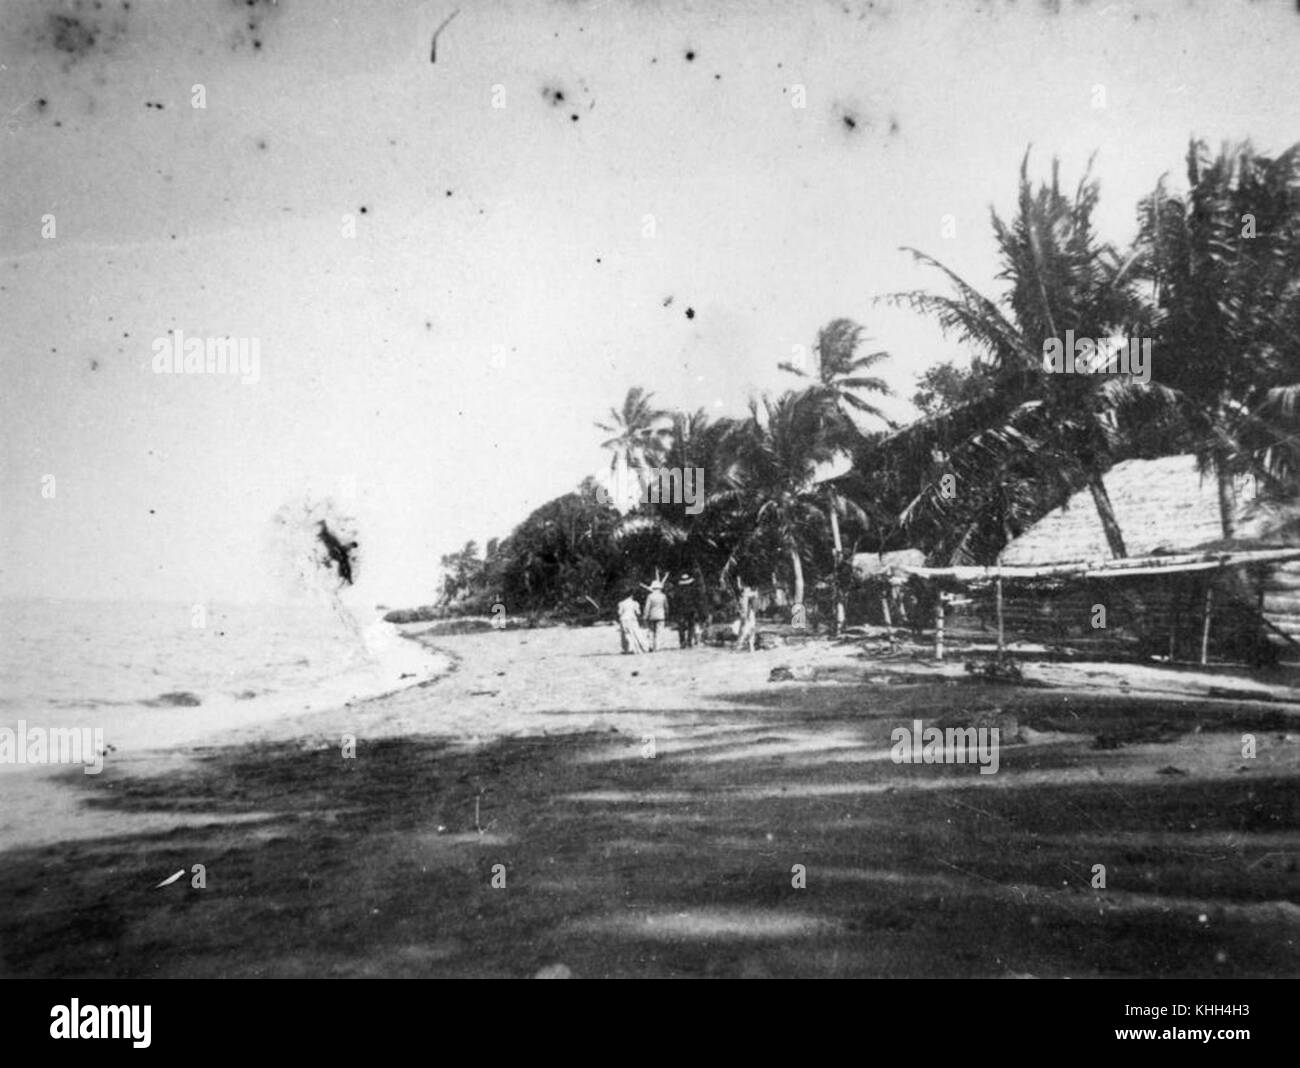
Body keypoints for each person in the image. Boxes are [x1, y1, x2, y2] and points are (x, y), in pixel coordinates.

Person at [616, 588, 647, 654]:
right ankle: (642, 647)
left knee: (626, 634)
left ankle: (628, 649)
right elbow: (638, 613)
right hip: (632, 619)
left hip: (624, 619)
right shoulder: (635, 603)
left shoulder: (621, 603)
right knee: (636, 633)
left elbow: (619, 613)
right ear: (631, 596)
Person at [674, 573, 700, 648]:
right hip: (691, 610)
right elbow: (697, 601)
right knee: (691, 625)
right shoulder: (693, 591)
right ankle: (689, 641)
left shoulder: (678, 591)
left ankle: (682, 642)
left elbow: (675, 601)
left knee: (681, 626)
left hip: (681, 610)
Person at [643, 578, 668, 652]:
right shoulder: (663, 596)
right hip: (661, 616)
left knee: (651, 631)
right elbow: (666, 606)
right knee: (659, 632)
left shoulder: (650, 596)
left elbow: (647, 607)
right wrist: (666, 613)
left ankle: (650, 646)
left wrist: (645, 616)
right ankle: (657, 647)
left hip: (652, 616)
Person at [735, 581, 758, 653]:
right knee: (745, 628)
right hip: (747, 613)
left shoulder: (749, 594)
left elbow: (754, 605)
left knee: (749, 628)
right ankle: (741, 645)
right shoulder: (747, 594)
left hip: (749, 613)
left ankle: (748, 645)